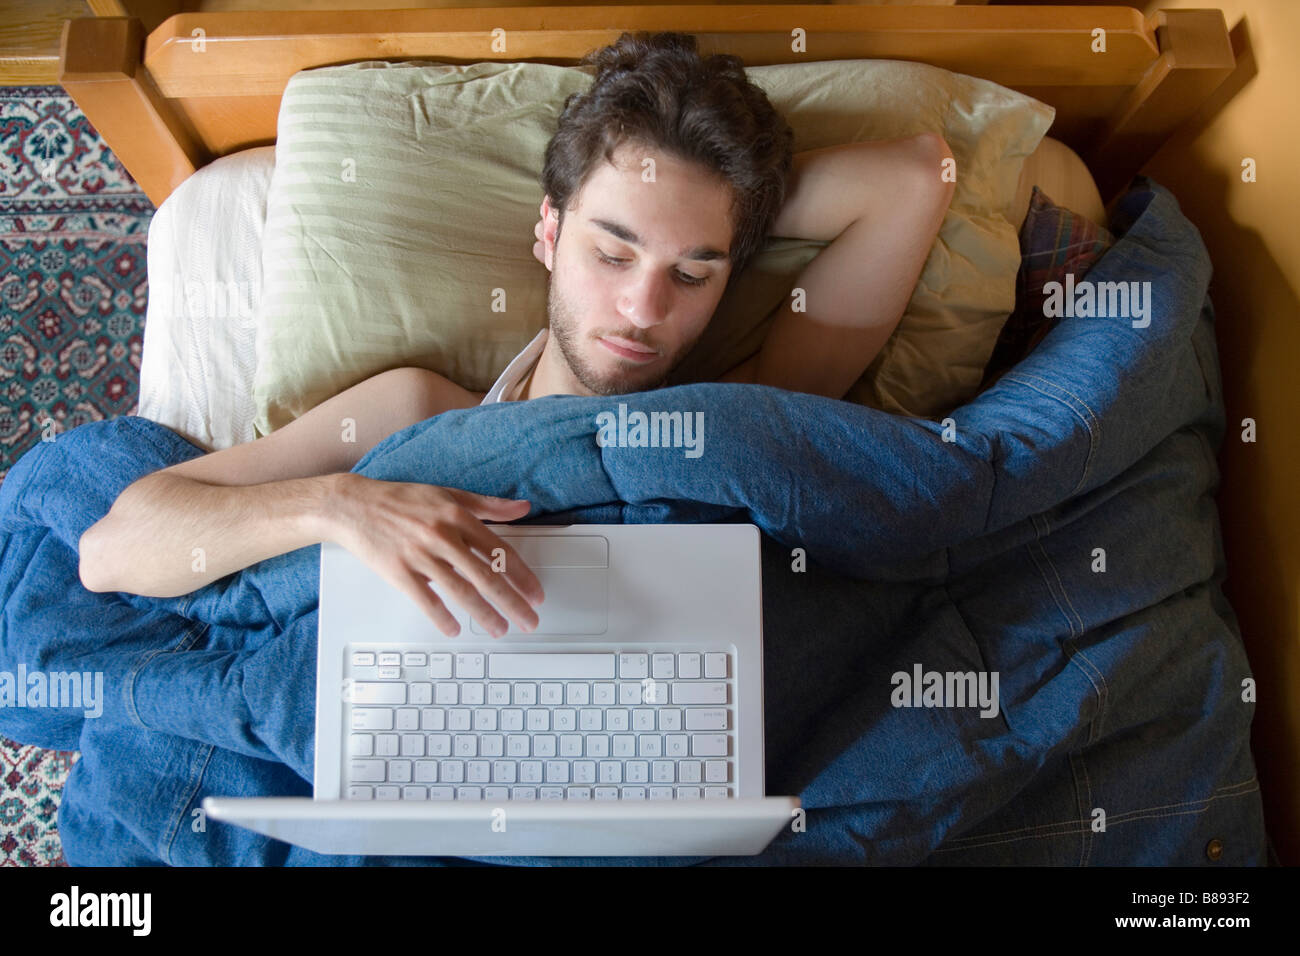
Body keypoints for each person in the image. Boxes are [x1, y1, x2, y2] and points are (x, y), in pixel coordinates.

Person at [78, 30, 953, 641]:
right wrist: (341, 505)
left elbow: (919, 176)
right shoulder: (416, 411)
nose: (645, 309)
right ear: (547, 233)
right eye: (612, 251)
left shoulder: (744, 409)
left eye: (693, 274)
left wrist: (731, 209)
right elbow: (113, 549)